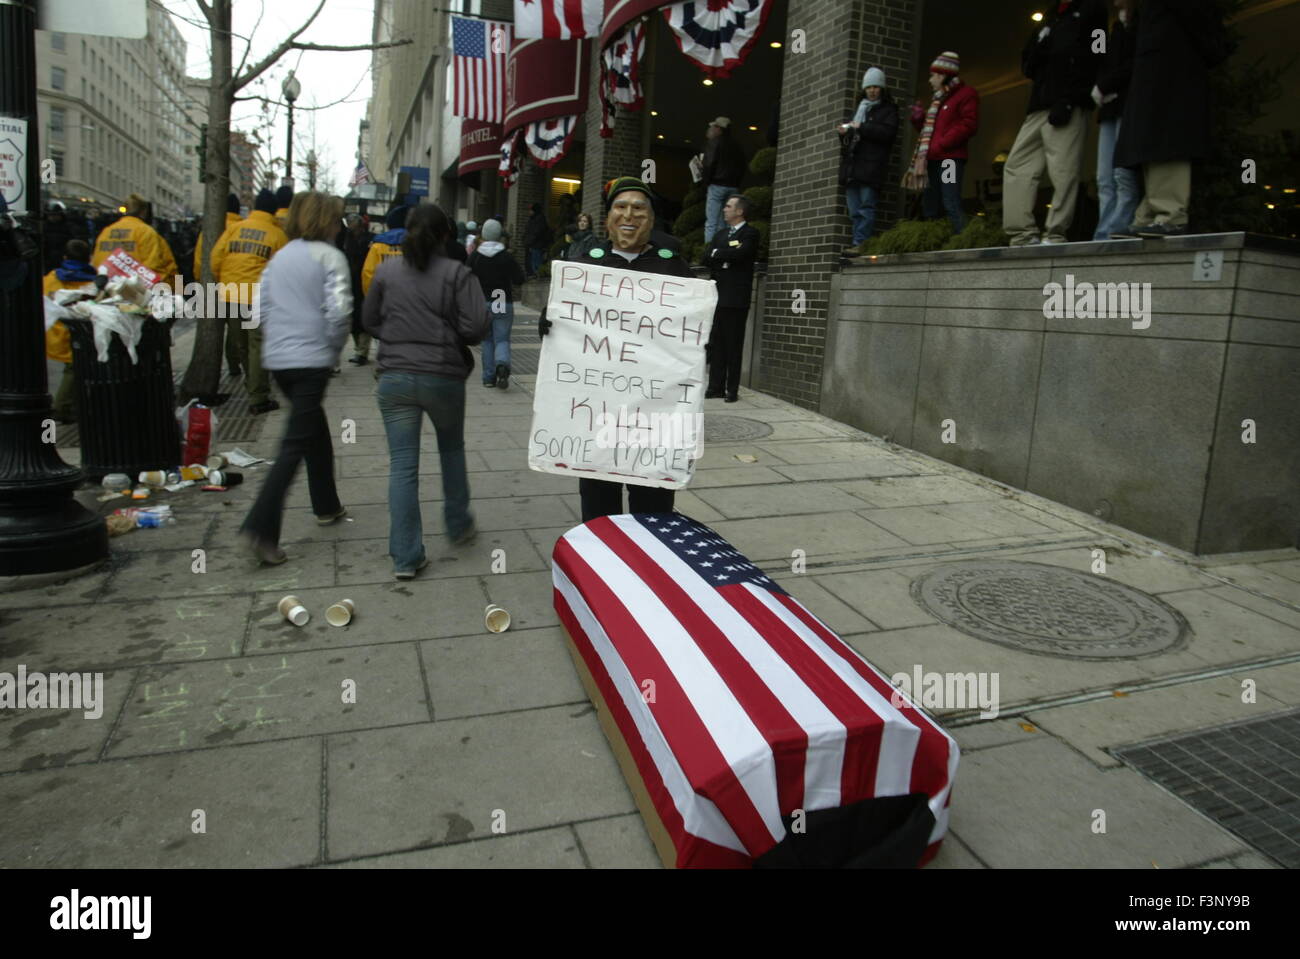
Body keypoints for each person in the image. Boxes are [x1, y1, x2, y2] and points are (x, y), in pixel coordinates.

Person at [537, 176, 694, 522]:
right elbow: (566, 322)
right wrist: (551, 322)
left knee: (652, 504)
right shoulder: (587, 266)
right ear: (607, 219)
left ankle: (650, 567)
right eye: (620, 207)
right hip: (597, 412)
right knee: (599, 503)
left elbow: (692, 331)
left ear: (651, 220)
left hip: (654, 414)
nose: (629, 215)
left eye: (639, 208)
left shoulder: (674, 267)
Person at [363, 203, 488, 578]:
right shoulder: (457, 273)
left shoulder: (385, 272)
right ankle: (457, 521)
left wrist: (399, 339)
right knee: (451, 448)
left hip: (394, 379)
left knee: (402, 465)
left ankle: (406, 556)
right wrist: (446, 336)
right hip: (443, 377)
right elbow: (476, 327)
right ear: (446, 237)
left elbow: (368, 321)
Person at [238, 192, 351, 565]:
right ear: (325, 221)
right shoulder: (331, 257)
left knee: (311, 429)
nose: (339, 226)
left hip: (280, 360)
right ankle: (261, 527)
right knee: (294, 445)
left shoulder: (278, 259)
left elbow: (259, 309)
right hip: (311, 358)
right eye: (336, 220)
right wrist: (332, 351)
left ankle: (327, 504)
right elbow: (339, 313)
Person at [1113, 0, 1230, 237]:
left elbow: (1197, 17)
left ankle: (1169, 214)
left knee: (1166, 140)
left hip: (1172, 68)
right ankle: (1152, 212)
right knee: (1152, 143)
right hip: (1159, 66)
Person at [1002, 0, 1109, 245]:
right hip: (1039, 104)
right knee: (1017, 166)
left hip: (1068, 103)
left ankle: (1055, 232)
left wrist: (1073, 98)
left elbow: (1098, 53)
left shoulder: (1093, 10)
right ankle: (1021, 233)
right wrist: (1036, 53)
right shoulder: (1052, 15)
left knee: (1063, 169)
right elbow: (1028, 61)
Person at [212, 188, 288, 414]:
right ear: (274, 210)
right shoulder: (277, 235)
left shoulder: (234, 229)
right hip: (258, 298)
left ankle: (252, 386)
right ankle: (258, 397)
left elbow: (215, 260)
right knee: (258, 346)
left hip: (231, 294)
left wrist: (224, 282)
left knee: (242, 344)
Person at [907, 52, 980, 235]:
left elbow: (969, 125)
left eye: (933, 75)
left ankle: (963, 241)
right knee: (930, 203)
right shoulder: (938, 100)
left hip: (950, 160)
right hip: (932, 161)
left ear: (942, 75)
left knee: (950, 201)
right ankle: (935, 241)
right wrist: (918, 119)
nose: (930, 80)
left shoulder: (966, 94)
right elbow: (930, 130)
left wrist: (942, 144)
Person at [703, 194, 760, 403]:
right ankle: (715, 386)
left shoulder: (750, 233)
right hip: (718, 296)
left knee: (733, 344)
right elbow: (706, 257)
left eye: (728, 206)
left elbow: (742, 254)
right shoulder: (720, 234)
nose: (724, 209)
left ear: (740, 211)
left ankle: (732, 389)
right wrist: (725, 254)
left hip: (736, 299)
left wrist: (720, 255)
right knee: (717, 342)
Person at [1091, 1, 1140, 240]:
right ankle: (1104, 232)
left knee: (1123, 172)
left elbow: (1137, 62)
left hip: (1129, 102)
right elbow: (1104, 62)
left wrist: (1107, 84)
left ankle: (1120, 227)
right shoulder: (1115, 28)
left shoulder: (1140, 21)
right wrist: (1102, 85)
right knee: (1104, 177)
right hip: (1109, 105)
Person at [837, 67, 900, 248]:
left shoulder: (888, 110)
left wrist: (861, 127)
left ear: (882, 89)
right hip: (852, 168)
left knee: (866, 208)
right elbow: (849, 143)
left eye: (876, 87)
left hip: (871, 168)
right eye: (869, 87)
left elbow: (888, 134)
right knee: (854, 211)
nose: (872, 90)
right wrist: (844, 133)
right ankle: (858, 243)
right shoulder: (859, 109)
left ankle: (860, 244)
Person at [42, 238, 97, 424]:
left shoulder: (49, 278)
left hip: (52, 332)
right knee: (74, 369)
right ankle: (61, 407)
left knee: (74, 369)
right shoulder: (93, 283)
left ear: (65, 257)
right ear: (89, 258)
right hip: (77, 335)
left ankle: (72, 405)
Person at [468, 218, 525, 390]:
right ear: (499, 235)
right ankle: (502, 365)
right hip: (501, 299)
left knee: (487, 340)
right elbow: (519, 279)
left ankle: (488, 378)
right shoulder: (506, 257)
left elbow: (465, 277)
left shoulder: (475, 256)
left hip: (482, 300)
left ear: (483, 235)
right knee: (502, 339)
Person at [194, 193, 245, 377]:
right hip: (235, 286)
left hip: (211, 284)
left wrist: (201, 279)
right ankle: (234, 364)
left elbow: (200, 258)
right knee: (235, 330)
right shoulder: (240, 228)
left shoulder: (209, 228)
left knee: (213, 326)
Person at [91, 193, 179, 284]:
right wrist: (178, 291)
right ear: (144, 212)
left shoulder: (106, 231)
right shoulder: (147, 232)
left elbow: (96, 261)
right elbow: (156, 267)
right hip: (137, 291)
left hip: (107, 288)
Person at [699, 117, 747, 242]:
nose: (711, 129)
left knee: (712, 222)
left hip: (716, 185)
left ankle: (709, 253)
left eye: (714, 127)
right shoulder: (737, 145)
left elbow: (709, 164)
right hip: (733, 187)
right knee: (728, 221)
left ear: (718, 128)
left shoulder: (714, 142)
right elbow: (742, 166)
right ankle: (726, 249)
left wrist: (705, 183)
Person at [341, 213, 373, 365]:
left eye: (351, 222)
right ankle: (359, 350)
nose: (349, 224)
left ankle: (362, 351)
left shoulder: (369, 239)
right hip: (351, 280)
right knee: (354, 317)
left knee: (363, 316)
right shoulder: (346, 238)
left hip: (363, 280)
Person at [361, 204, 410, 295]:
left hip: (383, 298)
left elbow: (368, 274)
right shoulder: (416, 243)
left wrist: (372, 299)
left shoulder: (378, 245)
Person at [522, 204, 551, 278]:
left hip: (536, 245)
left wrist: (528, 241)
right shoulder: (533, 219)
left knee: (536, 263)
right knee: (532, 262)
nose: (529, 212)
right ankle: (533, 275)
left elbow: (536, 232)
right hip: (532, 244)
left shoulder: (539, 219)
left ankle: (537, 276)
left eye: (531, 210)